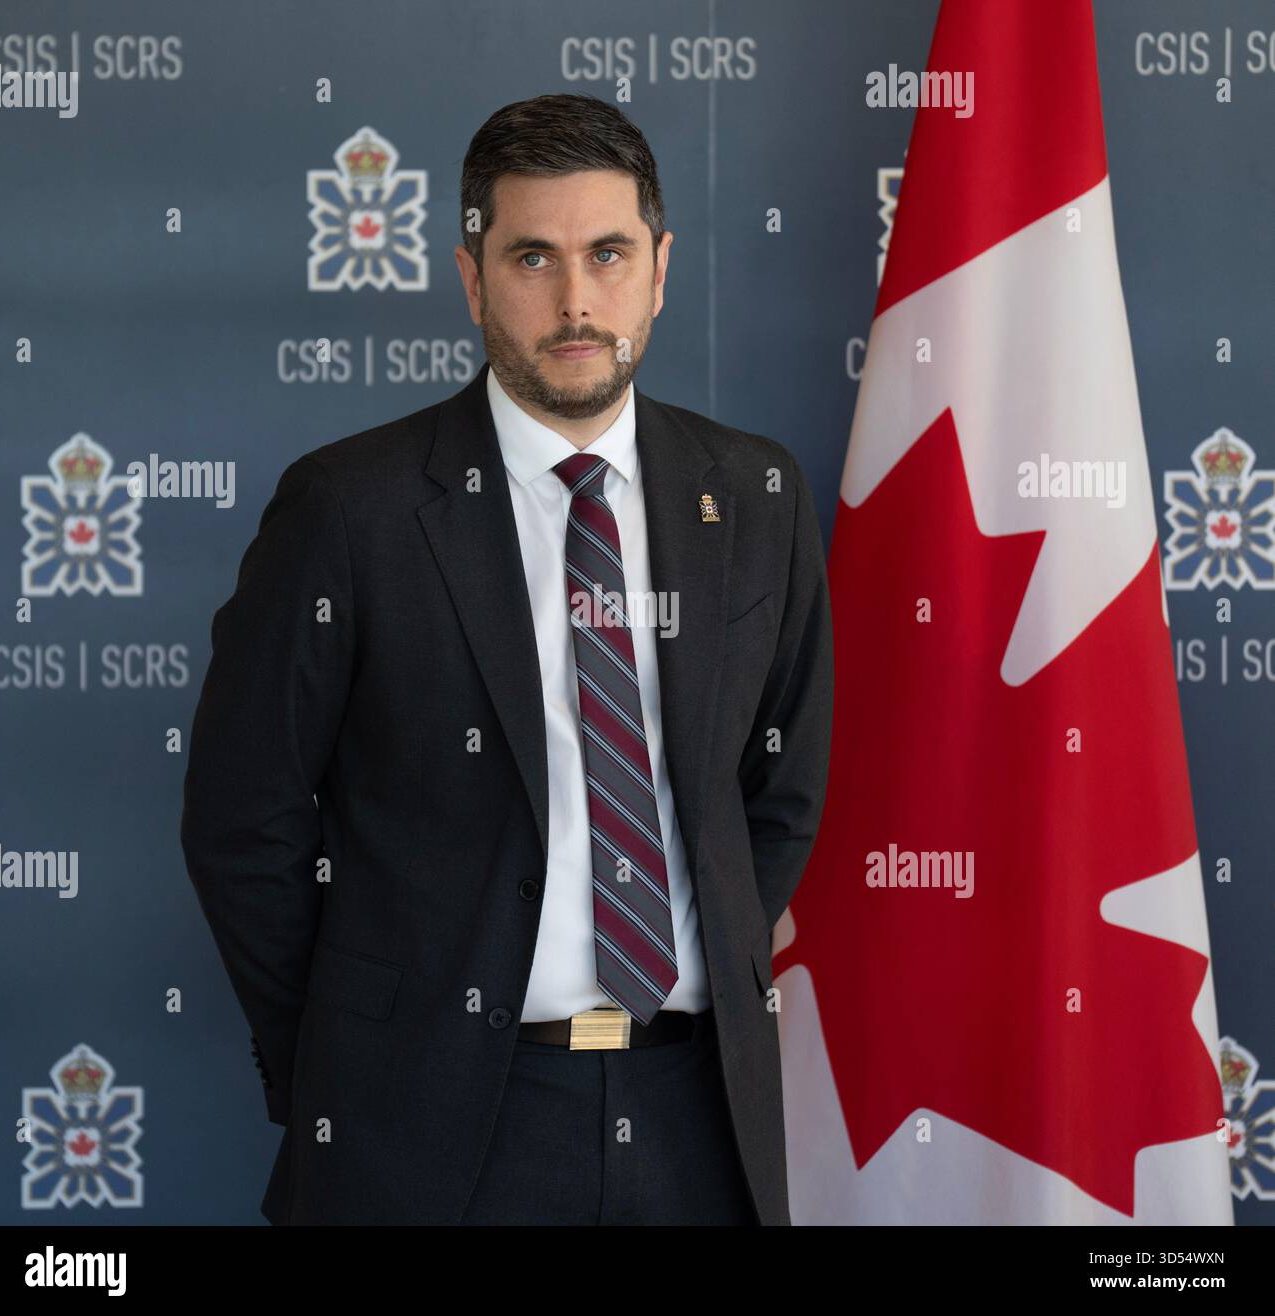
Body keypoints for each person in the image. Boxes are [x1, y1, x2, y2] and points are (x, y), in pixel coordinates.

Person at [181, 92, 833, 1225]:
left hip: (696, 1115)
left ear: (661, 268)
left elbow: (776, 797)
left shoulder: (758, 494)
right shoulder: (349, 508)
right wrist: (352, 1053)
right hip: (426, 1127)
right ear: (472, 276)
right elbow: (245, 819)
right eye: (532, 256)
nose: (575, 298)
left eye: (608, 253)